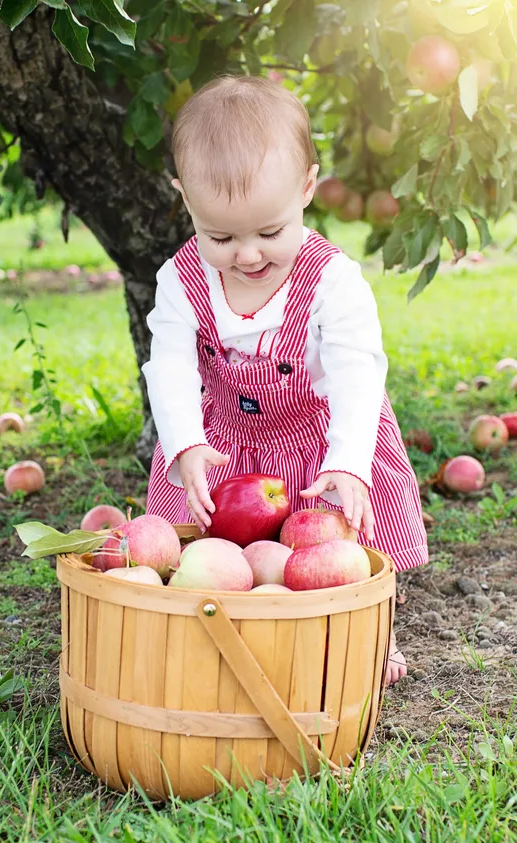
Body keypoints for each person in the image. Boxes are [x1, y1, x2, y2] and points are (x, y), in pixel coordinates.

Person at [142, 75, 428, 685]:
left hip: (317, 440)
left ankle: (370, 636)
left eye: (269, 233)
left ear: (306, 189)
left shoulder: (332, 280)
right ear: (185, 200)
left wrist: (350, 461)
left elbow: (358, 372)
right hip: (223, 443)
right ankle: (219, 635)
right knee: (209, 549)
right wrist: (185, 444)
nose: (247, 255)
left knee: (340, 548)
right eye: (220, 236)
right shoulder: (180, 280)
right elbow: (168, 366)